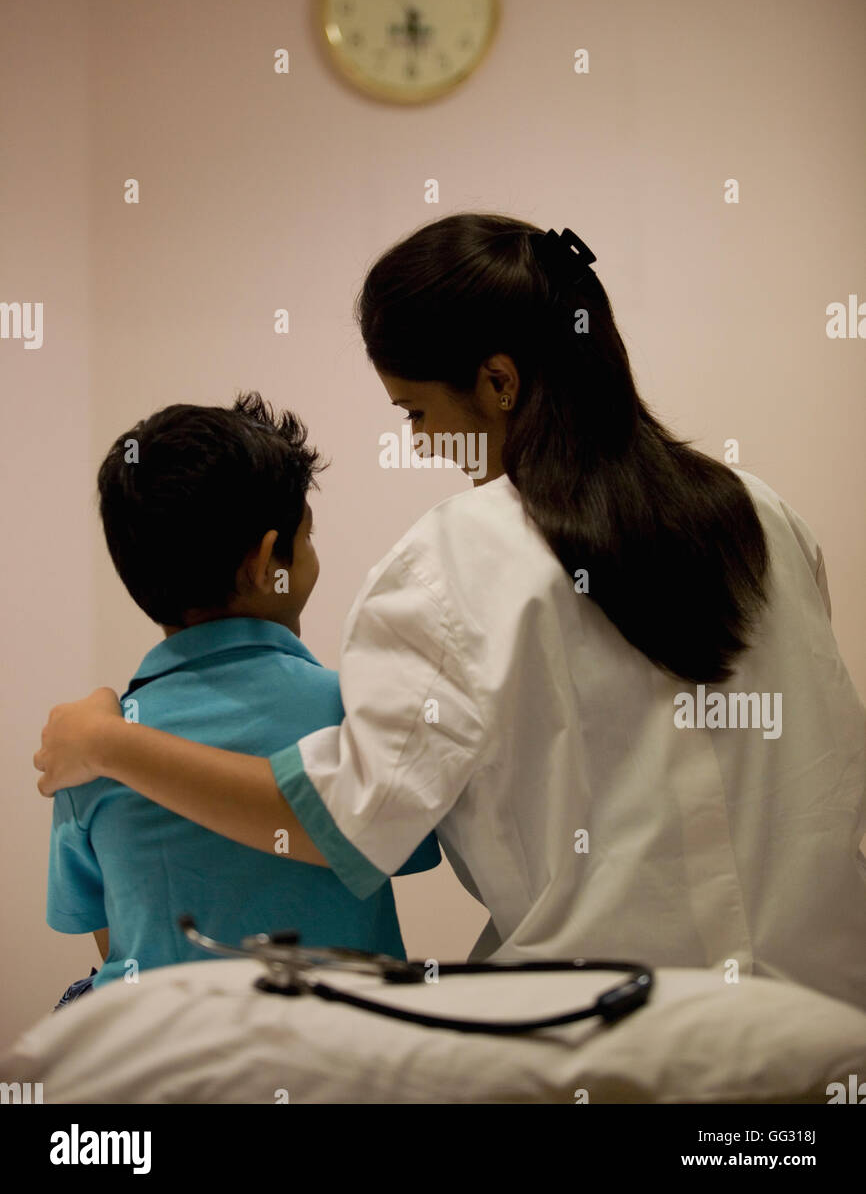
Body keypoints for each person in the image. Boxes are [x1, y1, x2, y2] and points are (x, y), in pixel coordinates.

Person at [37, 213, 866, 1010]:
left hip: (606, 1039)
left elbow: (342, 822)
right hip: (818, 1023)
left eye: (417, 413)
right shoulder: (766, 516)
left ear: (499, 382)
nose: (427, 443)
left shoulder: (452, 560)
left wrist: (107, 744)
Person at [46, 393, 439, 999]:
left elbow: (112, 944)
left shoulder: (83, 754)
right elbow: (402, 846)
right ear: (265, 565)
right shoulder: (352, 714)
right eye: (305, 538)